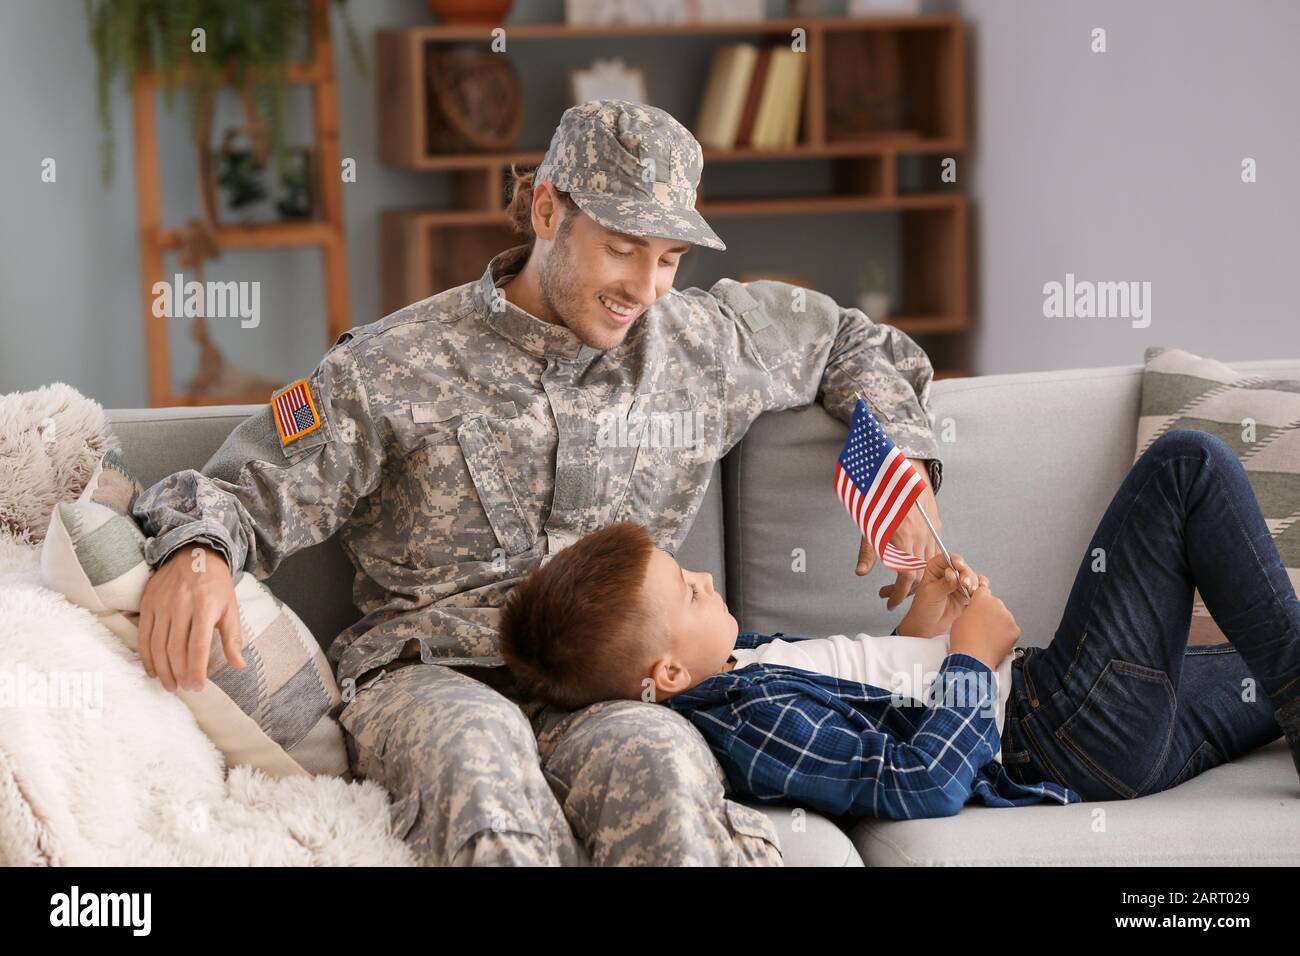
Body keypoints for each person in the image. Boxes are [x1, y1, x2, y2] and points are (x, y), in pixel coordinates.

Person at [130, 100, 949, 865]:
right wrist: (197, 550)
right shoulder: (393, 365)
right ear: (548, 210)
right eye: (623, 248)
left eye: (669, 259)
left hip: (612, 689)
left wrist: (896, 464)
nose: (645, 288)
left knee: (665, 767)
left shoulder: (700, 344)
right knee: (479, 765)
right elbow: (240, 490)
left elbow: (850, 339)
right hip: (437, 678)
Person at [498, 429, 1300, 820]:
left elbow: (882, 692)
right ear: (666, 674)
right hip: (1063, 728)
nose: (707, 577)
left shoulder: (742, 664)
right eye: (691, 592)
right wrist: (975, 662)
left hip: (1104, 731)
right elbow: (919, 782)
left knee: (1277, 648)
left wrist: (933, 614)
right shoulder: (746, 726)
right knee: (1188, 466)